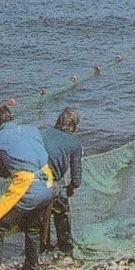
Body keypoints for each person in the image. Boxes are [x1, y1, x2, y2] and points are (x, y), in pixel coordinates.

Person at [0, 104, 54, 270]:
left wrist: (12, 171)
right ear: (11, 116)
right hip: (47, 184)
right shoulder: (32, 129)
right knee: (32, 226)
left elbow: (1, 171)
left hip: (28, 188)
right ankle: (32, 266)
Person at [40, 108, 83, 257]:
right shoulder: (74, 143)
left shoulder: (44, 134)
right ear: (74, 126)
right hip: (54, 184)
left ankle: (42, 248)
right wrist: (72, 187)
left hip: (35, 181)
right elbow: (76, 176)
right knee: (61, 214)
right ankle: (65, 249)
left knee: (40, 219)